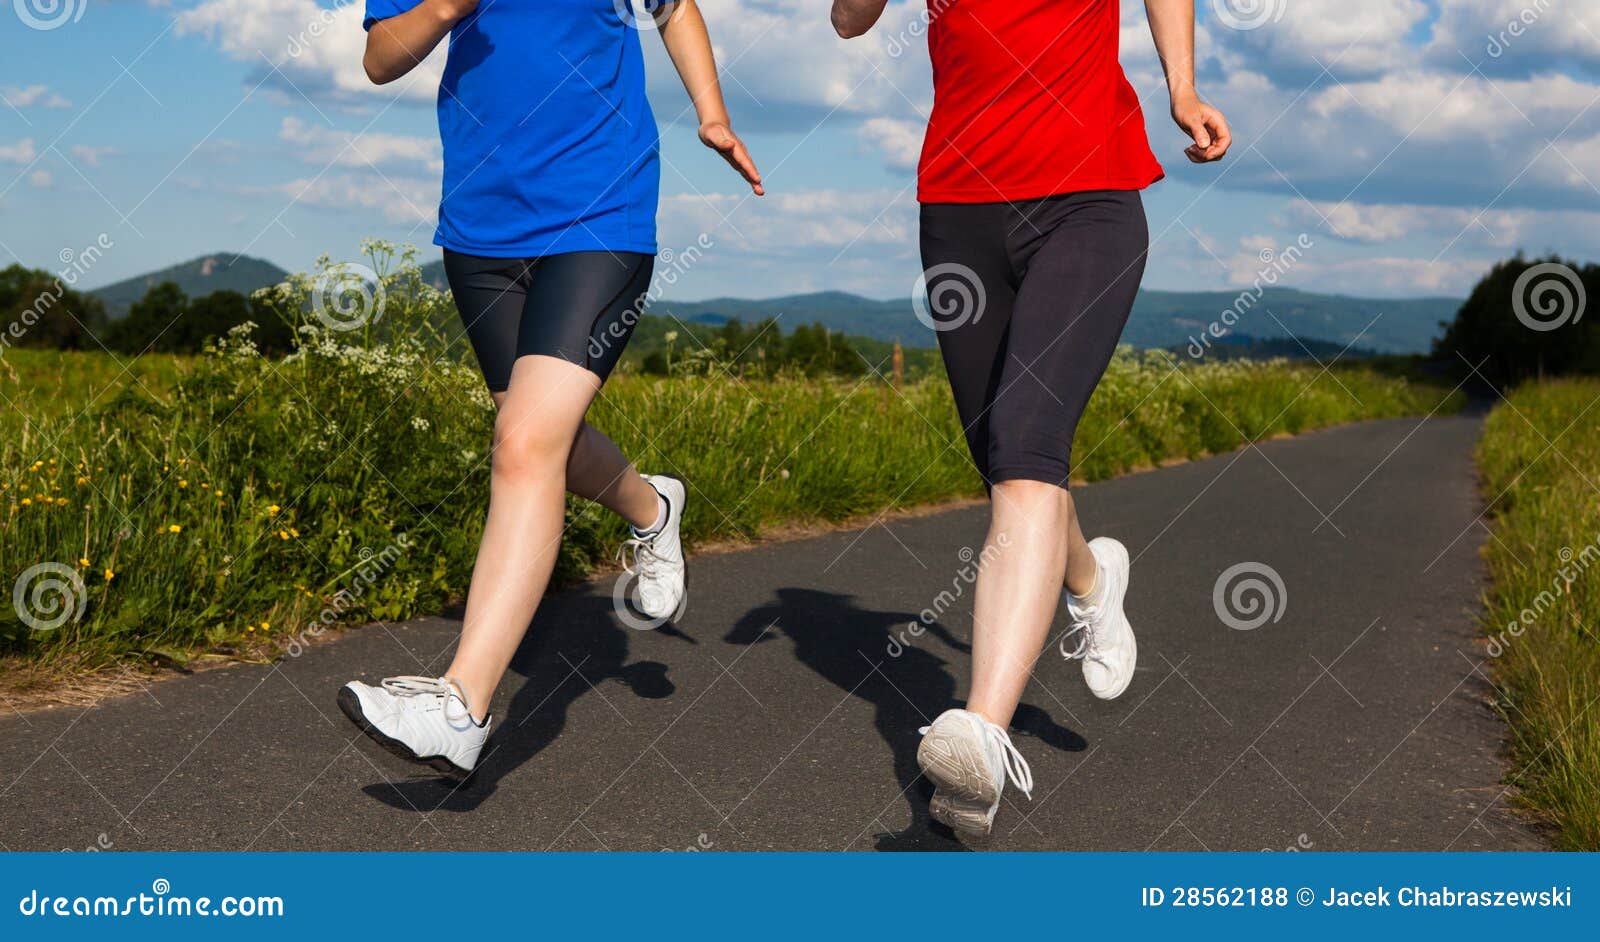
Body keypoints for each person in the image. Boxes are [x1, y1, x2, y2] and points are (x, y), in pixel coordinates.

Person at [832, 0, 1230, 838]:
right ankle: (1091, 580)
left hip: (1088, 195)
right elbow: (847, 20)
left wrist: (1181, 89)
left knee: (1026, 448)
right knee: (1005, 457)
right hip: (958, 205)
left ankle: (979, 738)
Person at [337, 0, 763, 778]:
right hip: (479, 231)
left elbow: (674, 9)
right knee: (538, 442)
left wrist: (711, 112)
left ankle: (459, 707)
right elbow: (379, 58)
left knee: (525, 444)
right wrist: (441, 9)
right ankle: (652, 506)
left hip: (602, 209)